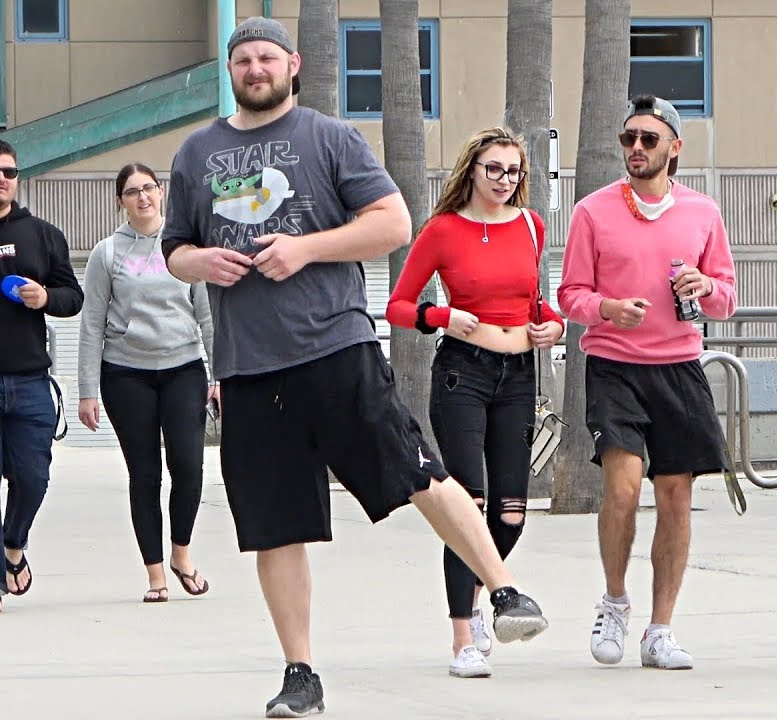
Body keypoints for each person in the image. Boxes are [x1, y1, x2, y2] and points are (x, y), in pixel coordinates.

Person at [161, 17, 548, 716]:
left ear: (293, 64)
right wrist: (201, 262)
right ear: (230, 68)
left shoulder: (330, 137)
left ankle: (503, 590)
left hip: (336, 348)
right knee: (276, 525)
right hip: (248, 366)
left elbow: (392, 224)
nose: (255, 68)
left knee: (416, 469)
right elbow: (175, 249)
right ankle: (300, 673)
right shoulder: (197, 152)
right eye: (243, 59)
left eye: (267, 57)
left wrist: (306, 248)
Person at [558, 95, 737, 670]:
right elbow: (570, 295)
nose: (636, 148)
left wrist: (705, 286)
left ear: (674, 147)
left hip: (679, 367)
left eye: (649, 139)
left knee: (676, 496)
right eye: (628, 138)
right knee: (622, 487)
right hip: (614, 365)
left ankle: (660, 630)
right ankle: (614, 601)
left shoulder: (703, 212)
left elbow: (727, 298)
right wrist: (608, 309)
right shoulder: (592, 211)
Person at [386, 127, 565, 679]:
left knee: (510, 514)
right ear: (472, 170)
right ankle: (463, 637)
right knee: (468, 504)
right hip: (462, 374)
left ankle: (489, 589)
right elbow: (398, 306)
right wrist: (444, 317)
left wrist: (553, 325)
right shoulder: (443, 229)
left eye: (514, 172)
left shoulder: (530, 226)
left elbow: (533, 301)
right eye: (494, 169)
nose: (505, 180)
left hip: (519, 376)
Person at [77, 163, 217, 604]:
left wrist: (220, 375)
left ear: (161, 193)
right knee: (145, 475)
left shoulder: (185, 248)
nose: (142, 197)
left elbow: (207, 316)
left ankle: (181, 554)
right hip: (126, 374)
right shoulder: (107, 253)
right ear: (120, 201)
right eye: (132, 191)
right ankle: (156, 575)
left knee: (189, 468)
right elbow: (92, 323)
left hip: (183, 368)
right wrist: (87, 390)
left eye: (149, 188)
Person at [0, 139, 84, 613]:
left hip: (30, 381)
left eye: (9, 171)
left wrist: (46, 298)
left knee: (32, 480)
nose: (2, 179)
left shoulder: (42, 234)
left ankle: (13, 545)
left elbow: (73, 297)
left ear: (17, 177)